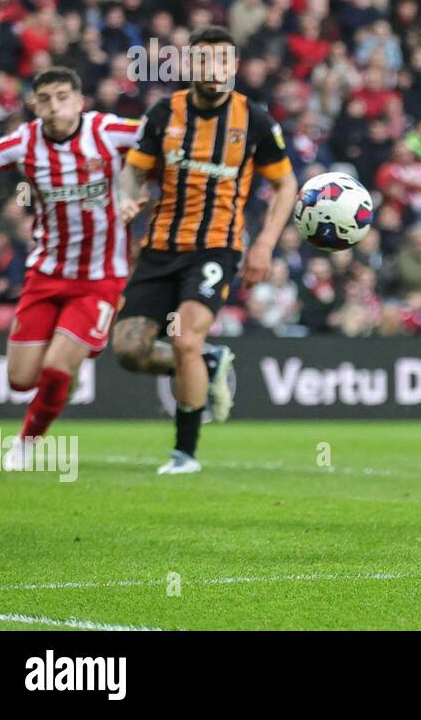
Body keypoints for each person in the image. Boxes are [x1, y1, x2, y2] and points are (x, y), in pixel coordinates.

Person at [112, 26, 298, 475]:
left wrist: (265, 246)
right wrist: (127, 196)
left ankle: (185, 453)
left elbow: (285, 183)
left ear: (234, 67)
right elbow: (132, 171)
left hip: (217, 247)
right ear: (190, 67)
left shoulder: (254, 119)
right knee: (128, 350)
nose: (214, 70)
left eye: (223, 61)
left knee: (184, 339)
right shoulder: (163, 114)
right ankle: (208, 361)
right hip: (159, 247)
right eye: (205, 61)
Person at [0, 67, 141, 468]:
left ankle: (27, 443)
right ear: (35, 105)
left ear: (80, 100)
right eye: (45, 99)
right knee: (20, 378)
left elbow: (165, 140)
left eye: (63, 96)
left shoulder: (109, 131)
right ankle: (87, 338)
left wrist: (141, 191)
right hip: (45, 274)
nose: (55, 106)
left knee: (56, 367)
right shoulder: (24, 141)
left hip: (100, 277)